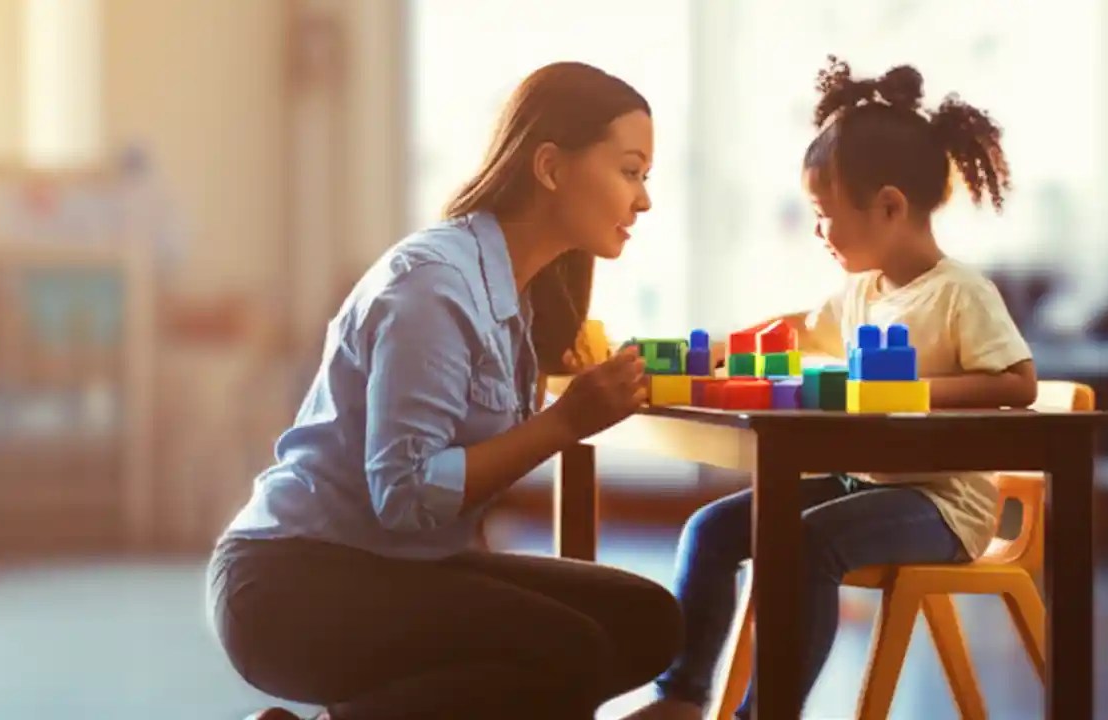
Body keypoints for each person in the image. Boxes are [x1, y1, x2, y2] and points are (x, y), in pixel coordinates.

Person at [207, 61, 683, 720]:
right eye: (630, 172)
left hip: (401, 565)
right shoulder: (433, 286)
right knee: (569, 651)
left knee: (647, 621)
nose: (644, 200)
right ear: (550, 168)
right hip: (290, 583)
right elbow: (404, 496)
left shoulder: (521, 292)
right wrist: (566, 422)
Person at [625, 56, 1038, 719]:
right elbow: (792, 330)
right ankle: (680, 698)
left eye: (825, 214)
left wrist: (909, 391)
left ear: (890, 207)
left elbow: (1017, 383)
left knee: (808, 542)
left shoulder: (961, 292)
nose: (818, 231)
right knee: (713, 529)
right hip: (861, 482)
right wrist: (708, 354)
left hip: (942, 503)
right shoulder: (861, 293)